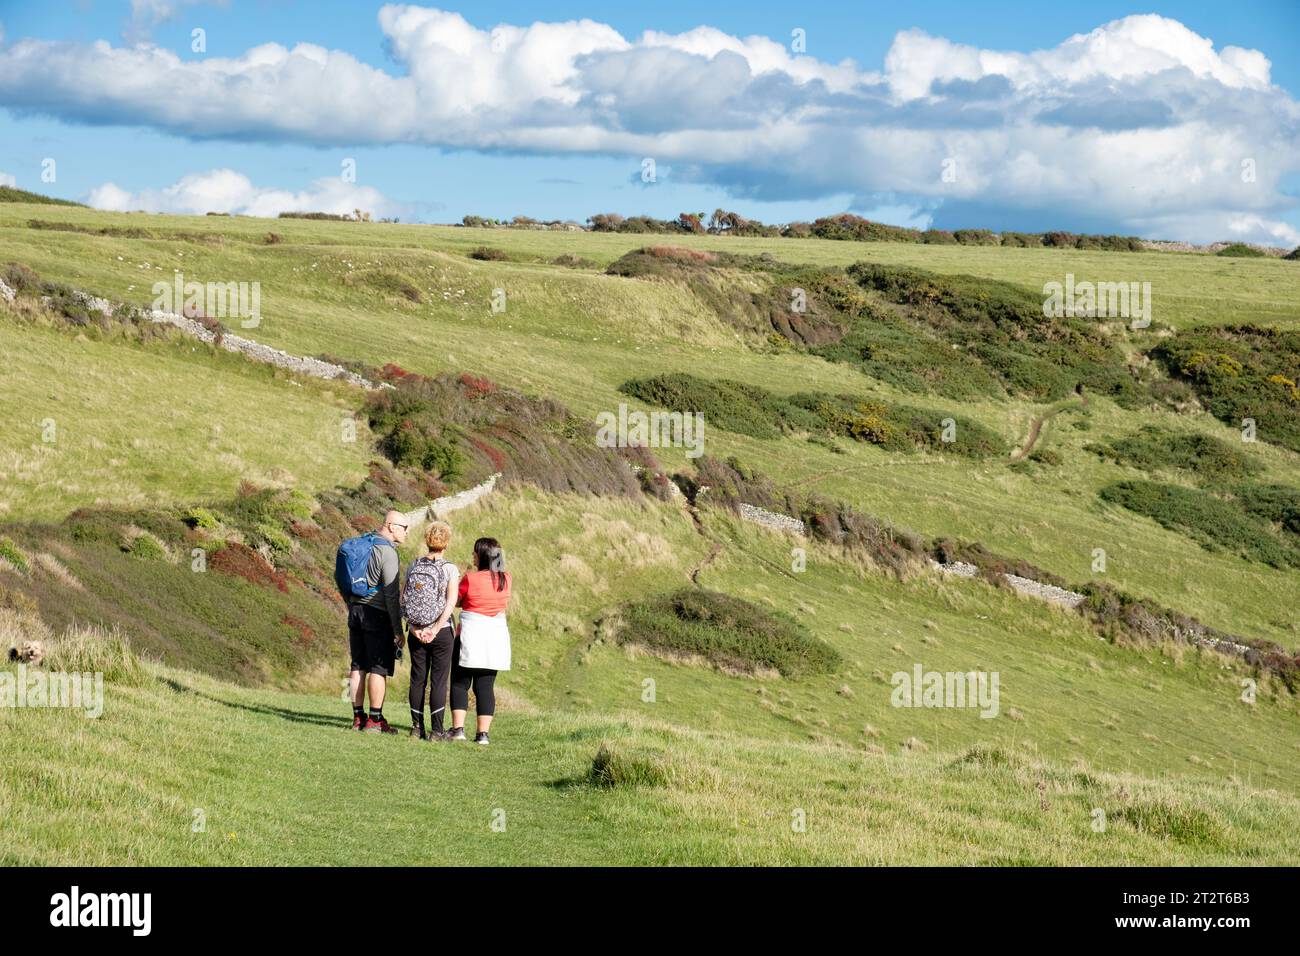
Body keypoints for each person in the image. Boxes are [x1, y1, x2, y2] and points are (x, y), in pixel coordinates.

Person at [348, 510, 409, 734]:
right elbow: (391, 595)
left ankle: (357, 718)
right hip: (377, 614)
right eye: (404, 527)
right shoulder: (388, 553)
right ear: (391, 526)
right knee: (378, 668)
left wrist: (352, 605)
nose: (407, 532)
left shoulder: (362, 543)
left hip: (355, 610)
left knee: (357, 666)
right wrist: (397, 629)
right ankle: (375, 721)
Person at [448, 537, 511, 745]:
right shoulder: (506, 579)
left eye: (475, 552)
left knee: (460, 683)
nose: (472, 555)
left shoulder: (470, 579)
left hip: (470, 635)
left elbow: (456, 601)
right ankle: (482, 734)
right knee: (485, 686)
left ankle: (458, 730)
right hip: (495, 637)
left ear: (483, 556)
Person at [403, 521, 458, 741]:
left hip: (416, 632)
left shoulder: (414, 565)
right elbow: (450, 603)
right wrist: (434, 629)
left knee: (417, 679)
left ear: (427, 540)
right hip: (441, 631)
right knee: (439, 680)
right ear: (446, 543)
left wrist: (415, 628)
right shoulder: (449, 569)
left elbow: (404, 599)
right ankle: (437, 731)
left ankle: (417, 728)